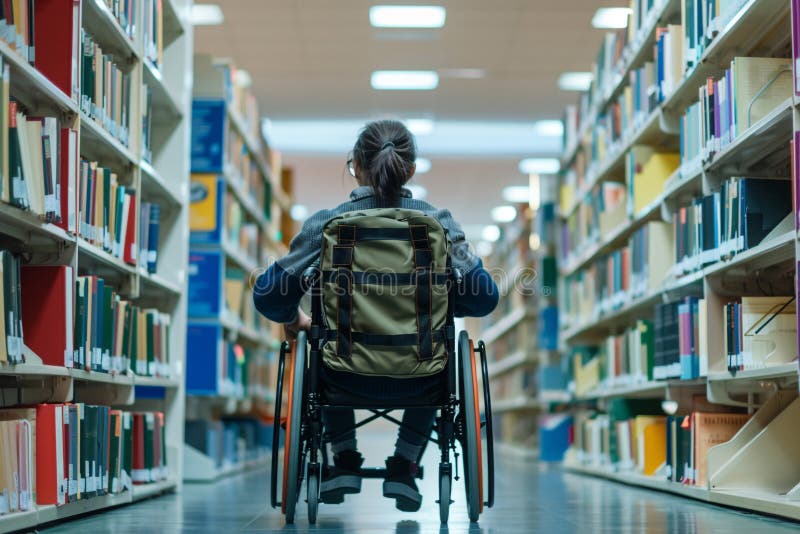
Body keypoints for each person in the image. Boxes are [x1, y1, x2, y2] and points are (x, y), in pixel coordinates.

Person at [253, 119, 499, 512]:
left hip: (341, 375)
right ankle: (404, 465)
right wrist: (445, 304)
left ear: (356, 166)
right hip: (423, 376)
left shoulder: (326, 225)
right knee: (438, 343)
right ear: (411, 170)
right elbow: (485, 298)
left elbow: (268, 296)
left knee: (323, 336)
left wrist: (293, 320)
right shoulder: (440, 224)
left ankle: (344, 460)